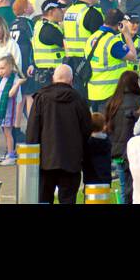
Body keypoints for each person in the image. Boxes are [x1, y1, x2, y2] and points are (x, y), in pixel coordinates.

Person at [25, 63, 92, 204]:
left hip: (45, 162)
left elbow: (32, 131)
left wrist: (32, 159)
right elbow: (87, 131)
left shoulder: (41, 98)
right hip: (71, 162)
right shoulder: (79, 100)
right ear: (71, 80)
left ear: (53, 79)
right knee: (68, 200)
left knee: (43, 199)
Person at [85, 9, 139, 112]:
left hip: (93, 92)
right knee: (109, 126)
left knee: (98, 125)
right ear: (119, 24)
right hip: (110, 93)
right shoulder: (113, 42)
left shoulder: (92, 37)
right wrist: (127, 34)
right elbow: (133, 57)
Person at [104, 71, 140, 204]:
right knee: (137, 186)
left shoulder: (112, 102)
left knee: (123, 185)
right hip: (136, 152)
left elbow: (108, 129)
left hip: (117, 151)